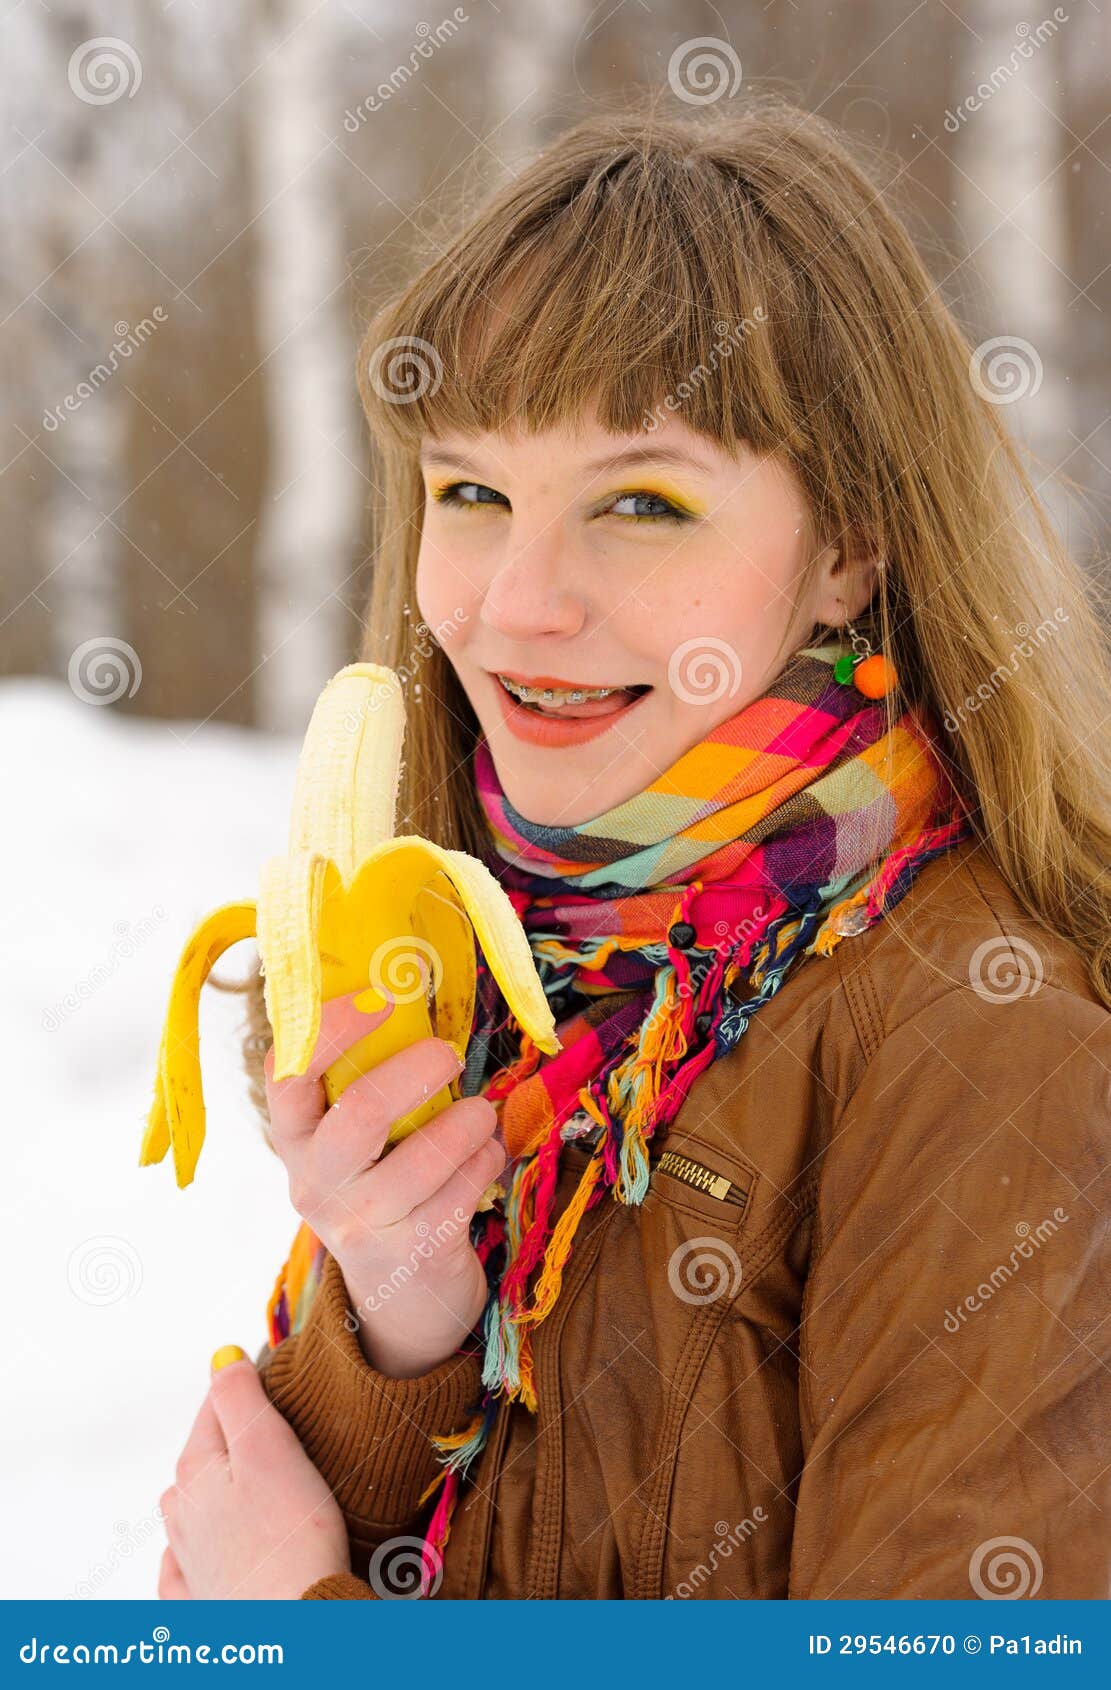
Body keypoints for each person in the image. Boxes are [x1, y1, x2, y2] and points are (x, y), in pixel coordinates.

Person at [156, 95, 1111, 1602]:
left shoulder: (990, 1050)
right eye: (471, 490)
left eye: (644, 502)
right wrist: (397, 1333)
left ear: (852, 545)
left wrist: (306, 1629)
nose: (515, 603)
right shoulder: (518, 967)